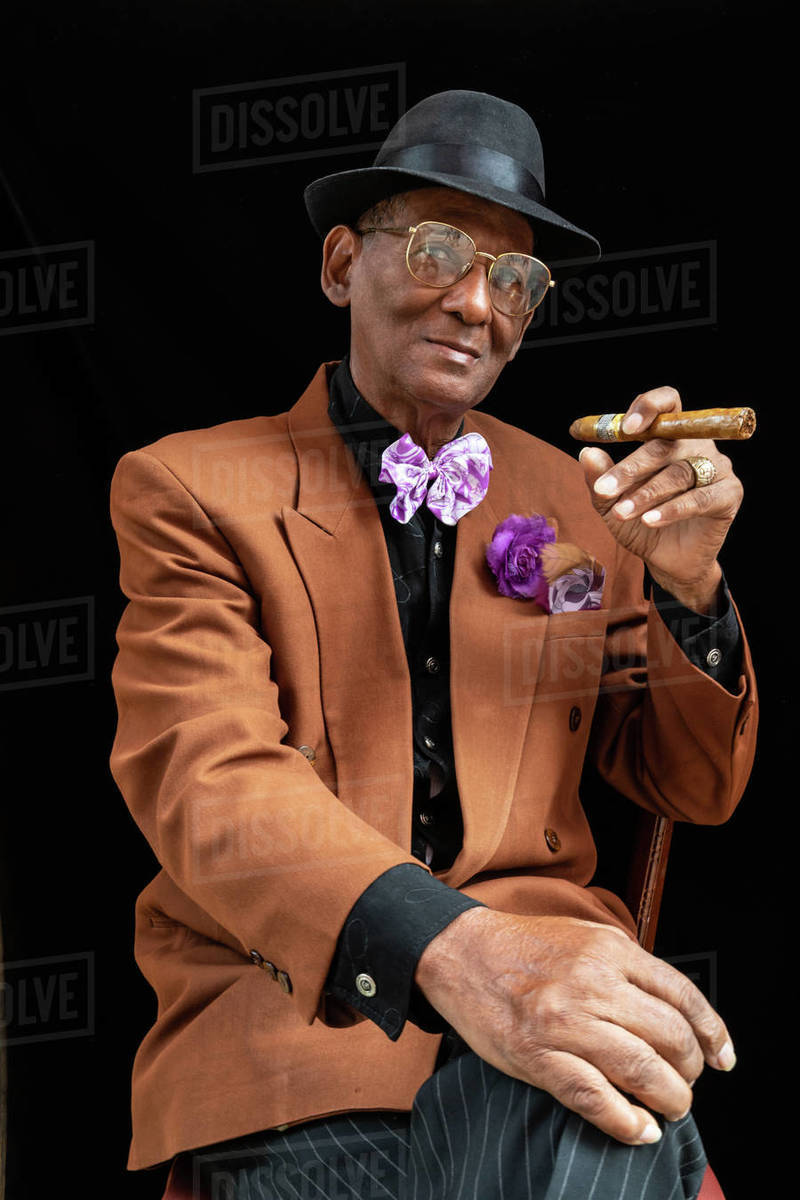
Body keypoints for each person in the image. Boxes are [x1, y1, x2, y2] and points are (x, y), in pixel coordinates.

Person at [109, 90, 757, 1199]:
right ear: (338, 266)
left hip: (552, 1007)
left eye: (512, 281)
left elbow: (685, 785)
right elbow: (208, 784)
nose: (473, 303)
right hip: (300, 1031)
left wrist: (688, 585)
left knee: (593, 1120)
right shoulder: (190, 486)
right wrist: (461, 954)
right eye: (437, 251)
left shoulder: (569, 496)